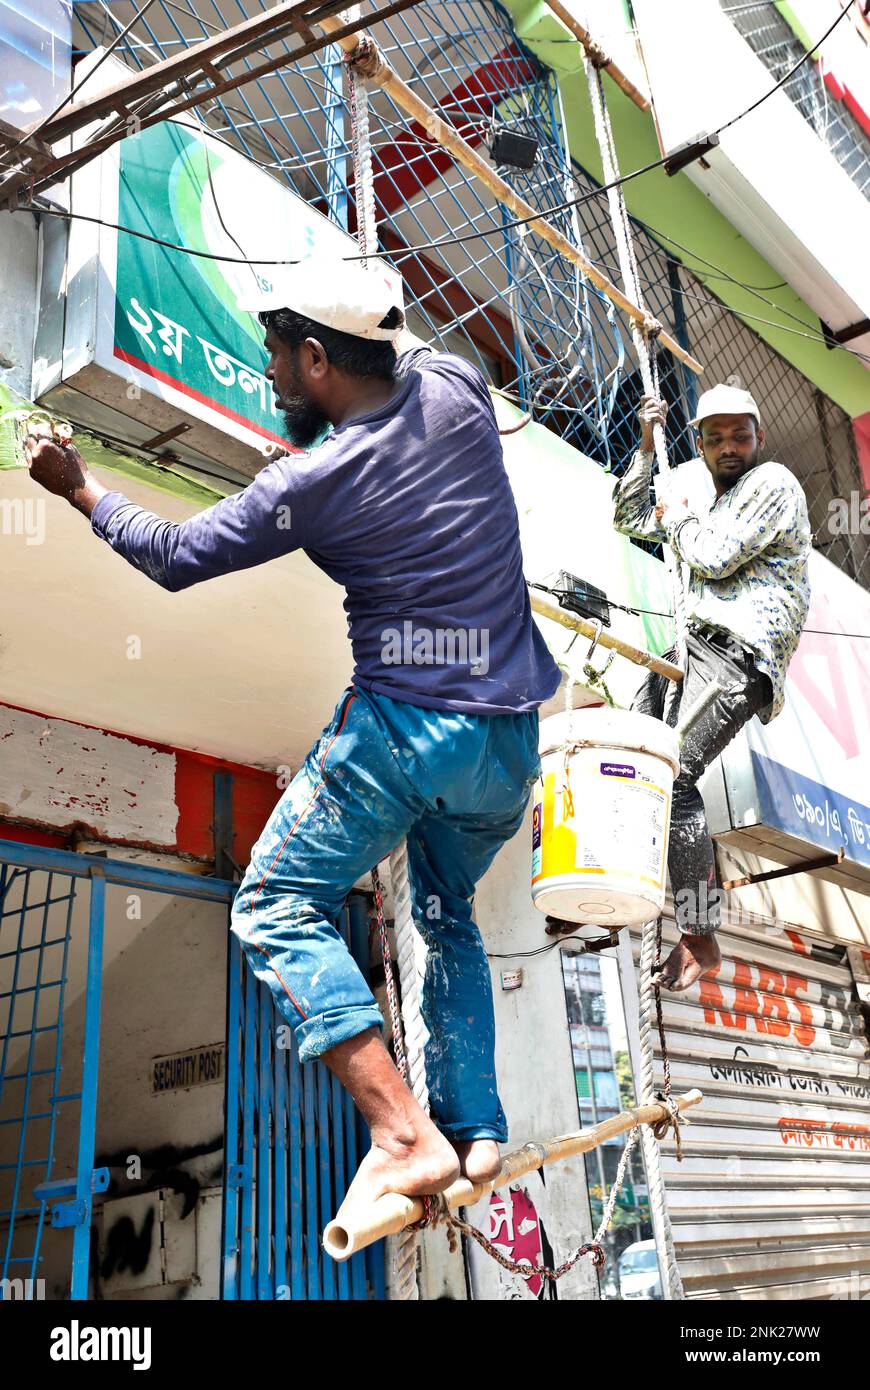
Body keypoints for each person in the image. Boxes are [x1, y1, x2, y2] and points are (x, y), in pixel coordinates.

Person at [24, 256, 562, 1207]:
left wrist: (79, 489)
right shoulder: (456, 387)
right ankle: (476, 1135)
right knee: (445, 915)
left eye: (276, 357)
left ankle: (403, 1134)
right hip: (510, 742)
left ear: (316, 357)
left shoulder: (316, 478)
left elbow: (178, 556)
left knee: (272, 904)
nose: (270, 374)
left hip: (406, 731)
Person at [612, 384, 811, 992]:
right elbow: (625, 517)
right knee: (626, 755)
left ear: (759, 438)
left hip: (737, 651)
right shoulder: (705, 500)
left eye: (740, 435)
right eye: (715, 437)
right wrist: (647, 445)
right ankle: (617, 878)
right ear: (697, 443)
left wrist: (678, 514)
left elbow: (715, 554)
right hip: (692, 645)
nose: (729, 448)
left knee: (671, 774)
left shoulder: (772, 484)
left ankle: (700, 932)